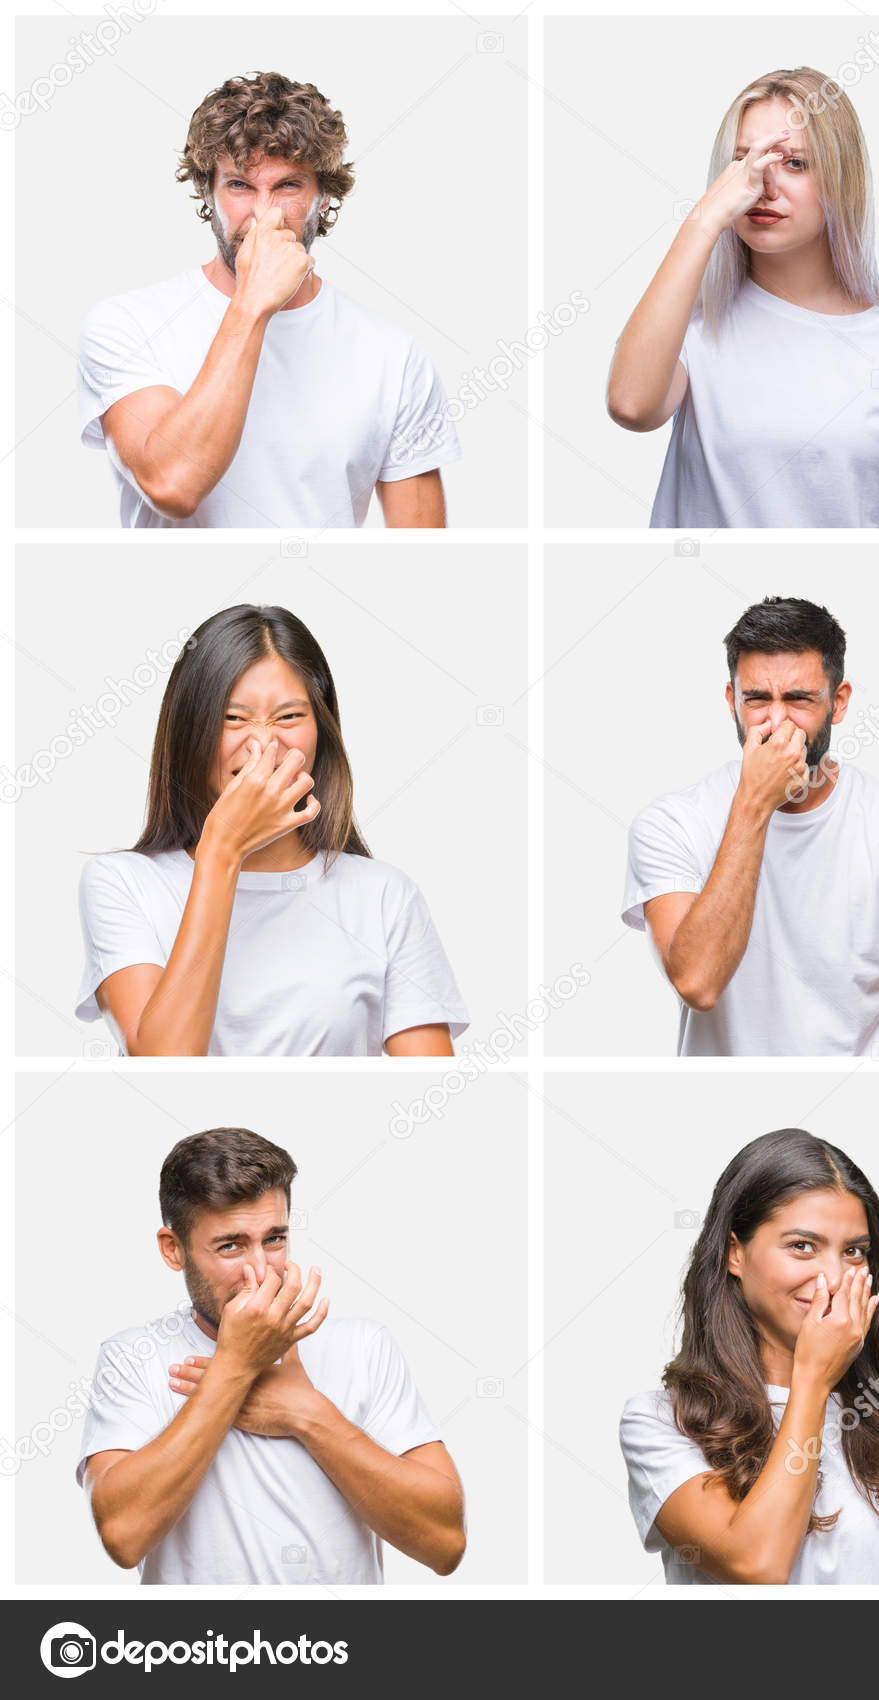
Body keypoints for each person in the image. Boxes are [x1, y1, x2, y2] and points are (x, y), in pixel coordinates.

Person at [76, 604, 469, 1056]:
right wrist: (222, 851)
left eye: (288, 718)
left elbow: (428, 1088)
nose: (264, 744)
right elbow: (166, 1063)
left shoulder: (385, 896)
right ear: (190, 729)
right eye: (233, 718)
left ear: (321, 732)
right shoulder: (122, 884)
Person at [77, 1128, 466, 1583]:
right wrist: (234, 1369)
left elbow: (446, 1544)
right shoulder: (131, 1358)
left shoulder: (364, 1345)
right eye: (231, 1245)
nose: (260, 1270)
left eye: (275, 1239)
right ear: (173, 1249)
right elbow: (123, 1536)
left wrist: (307, 1414)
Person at [77, 71, 460, 528]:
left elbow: (419, 556)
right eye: (240, 185)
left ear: (323, 197)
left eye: (288, 186)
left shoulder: (396, 356)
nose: (263, 214)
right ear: (208, 192)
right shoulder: (127, 324)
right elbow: (173, 485)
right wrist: (253, 302)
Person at [607, 66, 879, 529]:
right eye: (744, 163)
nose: (763, 185)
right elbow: (631, 406)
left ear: (842, 179)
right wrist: (703, 220)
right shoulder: (691, 328)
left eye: (795, 163)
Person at [620, 1128, 879, 1584]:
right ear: (735, 1253)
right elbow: (757, 1565)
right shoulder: (662, 1423)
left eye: (854, 1252)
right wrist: (812, 1380)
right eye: (802, 1246)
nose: (832, 1276)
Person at [622, 596, 879, 1055]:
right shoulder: (670, 824)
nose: (776, 722)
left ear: (839, 702)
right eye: (757, 700)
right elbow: (697, 983)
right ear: (732, 702)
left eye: (798, 699)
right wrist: (754, 802)